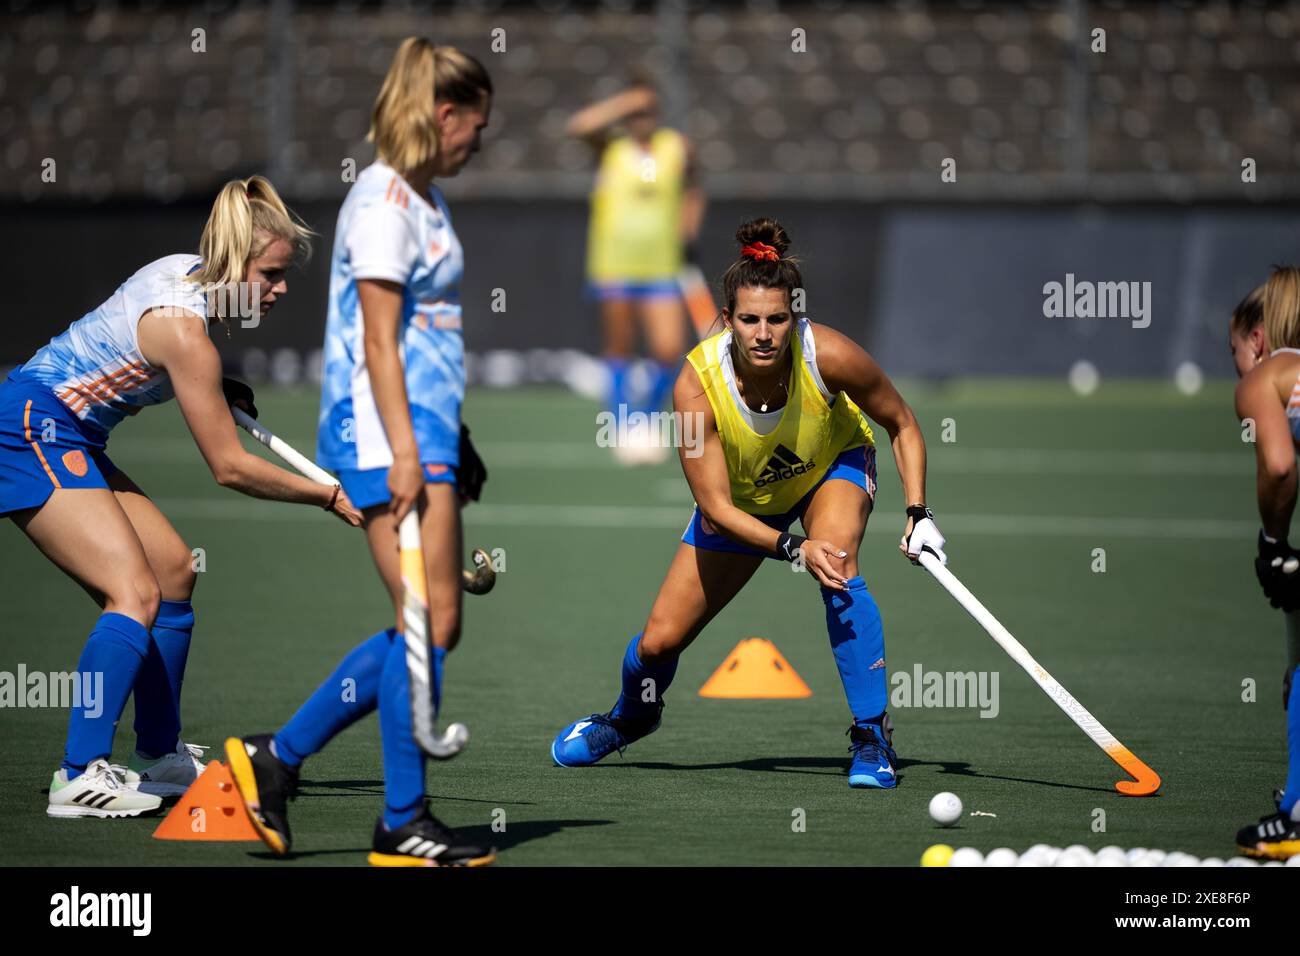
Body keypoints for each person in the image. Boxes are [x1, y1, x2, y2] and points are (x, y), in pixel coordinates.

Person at [0, 176, 361, 818]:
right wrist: (328, 495)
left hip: (70, 434)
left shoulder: (185, 276)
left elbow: (151, 355)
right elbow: (230, 467)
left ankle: (159, 756)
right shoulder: (186, 333)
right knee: (132, 593)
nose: (280, 290)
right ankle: (76, 776)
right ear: (233, 263)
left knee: (172, 571)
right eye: (272, 274)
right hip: (30, 428)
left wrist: (218, 384)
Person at [224, 37, 496, 867]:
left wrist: (456, 438)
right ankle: (401, 820)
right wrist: (411, 451)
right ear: (444, 114)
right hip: (384, 434)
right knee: (425, 624)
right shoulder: (381, 203)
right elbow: (378, 342)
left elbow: (426, 337)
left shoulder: (424, 198)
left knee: (431, 624)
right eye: (476, 125)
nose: (480, 141)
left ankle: (277, 760)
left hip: (422, 429)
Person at [550, 218, 944, 788]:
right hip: (740, 502)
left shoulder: (829, 354)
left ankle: (870, 736)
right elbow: (714, 510)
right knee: (660, 640)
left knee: (835, 561)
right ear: (727, 319)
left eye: (778, 319)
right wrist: (792, 547)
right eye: (750, 319)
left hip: (829, 466)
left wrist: (918, 513)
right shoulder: (691, 388)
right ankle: (632, 716)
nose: (764, 334)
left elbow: (901, 423)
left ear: (795, 318)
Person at [567, 74, 705, 463]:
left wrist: (688, 231)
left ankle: (645, 414)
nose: (641, 118)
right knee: (620, 348)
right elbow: (577, 126)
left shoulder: (676, 147)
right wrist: (624, 102)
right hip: (615, 264)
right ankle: (622, 423)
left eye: (647, 110)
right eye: (635, 111)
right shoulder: (611, 147)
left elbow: (694, 190)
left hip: (661, 264)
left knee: (668, 349)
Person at [1230, 267, 1300, 860]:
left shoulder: (1269, 376)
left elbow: (1279, 466)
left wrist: (1274, 547)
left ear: (1256, 336)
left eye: (1234, 353)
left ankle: (1297, 815)